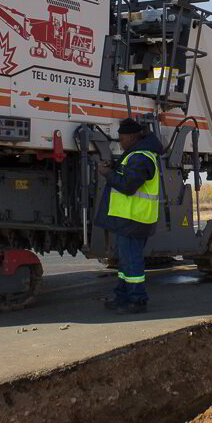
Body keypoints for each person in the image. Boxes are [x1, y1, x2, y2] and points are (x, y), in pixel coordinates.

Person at [94, 118, 163, 314]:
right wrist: (114, 168)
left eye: (122, 138)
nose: (120, 141)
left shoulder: (141, 157)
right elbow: (128, 177)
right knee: (125, 261)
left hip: (134, 219)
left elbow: (128, 186)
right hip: (131, 219)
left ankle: (137, 300)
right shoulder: (136, 155)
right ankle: (122, 296)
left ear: (133, 137)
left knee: (131, 261)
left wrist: (107, 174)